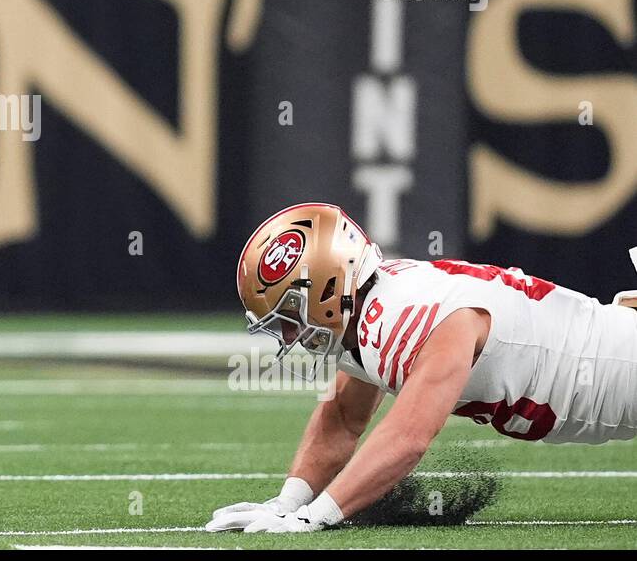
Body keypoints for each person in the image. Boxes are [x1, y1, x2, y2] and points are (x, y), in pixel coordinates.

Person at [208, 202, 637, 534]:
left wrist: (311, 519)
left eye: (288, 315)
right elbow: (342, 419)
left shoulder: (401, 318)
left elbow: (407, 439)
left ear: (327, 285)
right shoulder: (369, 309)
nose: (287, 336)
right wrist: (286, 503)